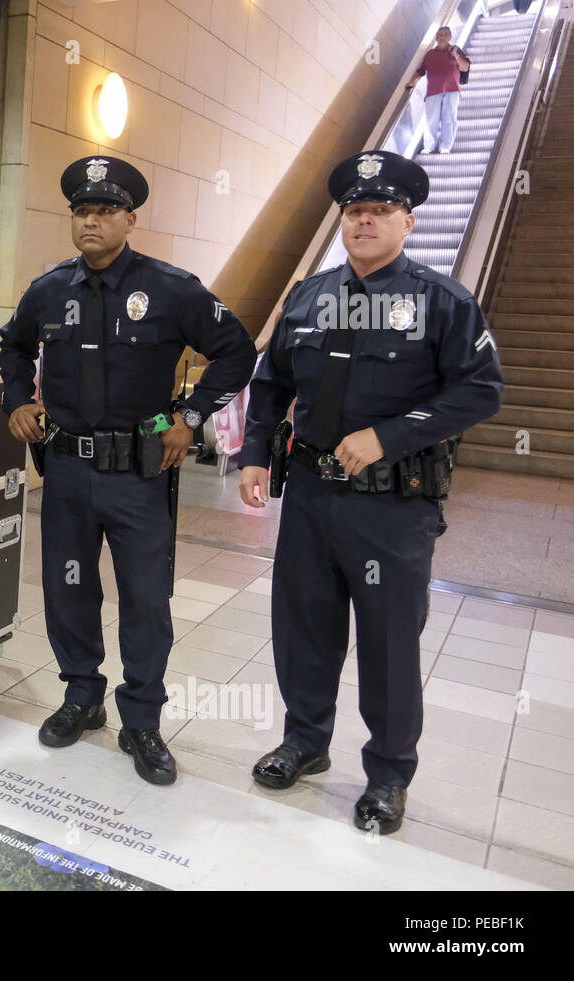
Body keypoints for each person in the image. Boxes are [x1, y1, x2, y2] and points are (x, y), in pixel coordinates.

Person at [238, 150, 503, 834]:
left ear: (407, 222)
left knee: (388, 642)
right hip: (310, 500)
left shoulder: (442, 302)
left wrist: (389, 435)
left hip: (393, 505)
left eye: (380, 210)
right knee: (303, 628)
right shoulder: (307, 296)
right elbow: (271, 386)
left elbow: (480, 389)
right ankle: (305, 742)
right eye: (355, 210)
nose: (365, 221)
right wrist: (255, 454)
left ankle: (387, 774)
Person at [0, 156, 256, 784]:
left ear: (129, 218)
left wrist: (191, 415)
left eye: (105, 210)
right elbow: (12, 345)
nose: (92, 221)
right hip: (64, 473)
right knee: (67, 589)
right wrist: (16, 400)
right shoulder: (49, 289)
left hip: (139, 476)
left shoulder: (172, 289)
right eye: (82, 211)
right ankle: (81, 696)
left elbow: (236, 351)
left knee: (145, 599)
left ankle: (141, 720)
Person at [405, 26, 470, 155]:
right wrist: (413, 81)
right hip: (433, 91)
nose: (442, 37)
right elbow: (421, 70)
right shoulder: (430, 54)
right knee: (430, 119)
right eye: (439, 35)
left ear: (450, 37)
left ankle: (446, 146)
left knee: (449, 118)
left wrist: (456, 55)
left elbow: (464, 67)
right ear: (435, 38)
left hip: (452, 90)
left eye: (445, 35)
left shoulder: (456, 51)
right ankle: (429, 146)